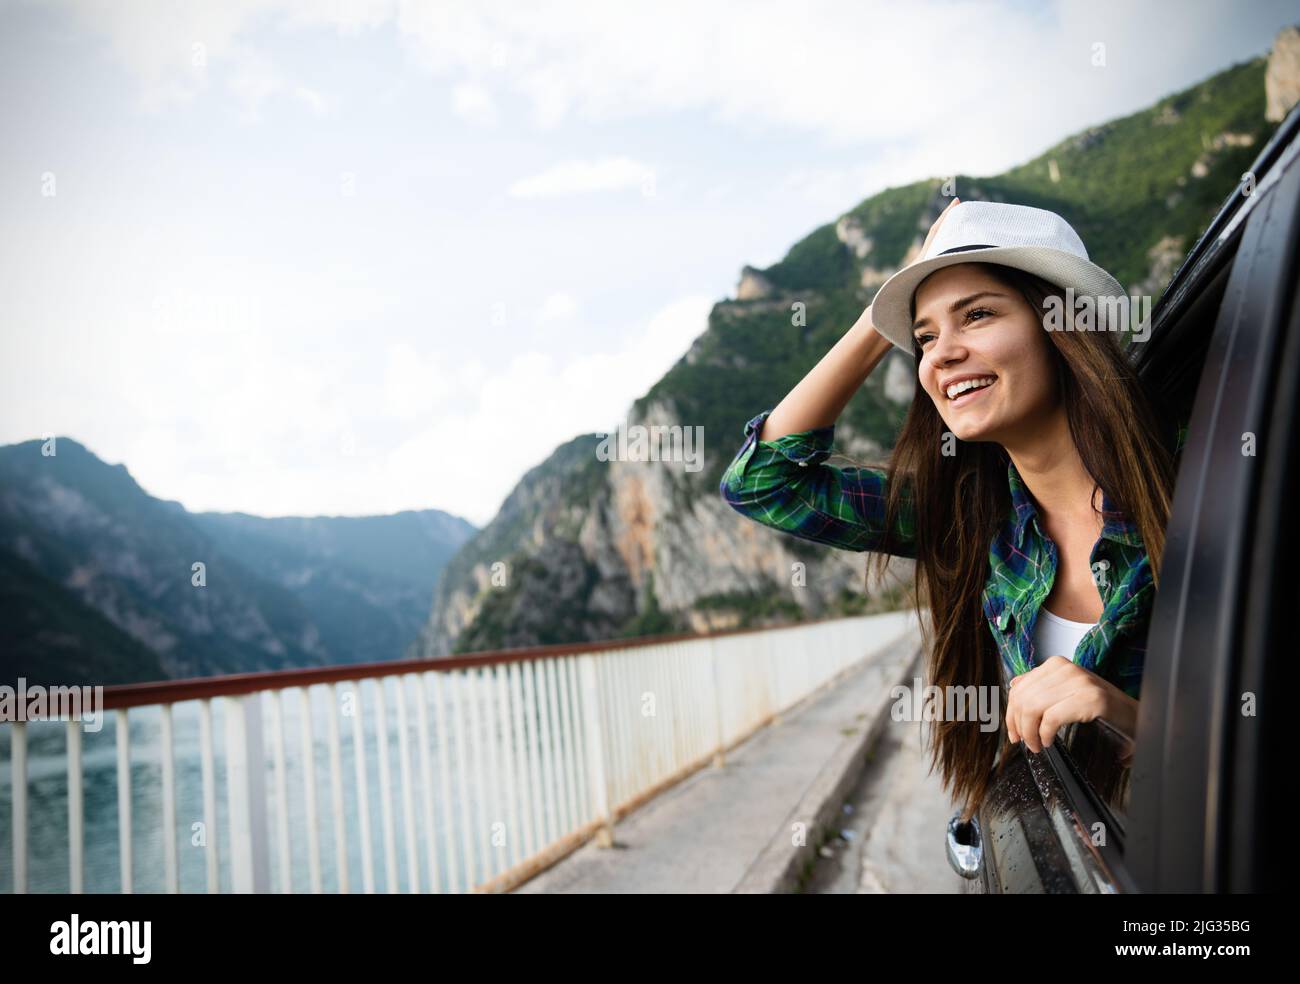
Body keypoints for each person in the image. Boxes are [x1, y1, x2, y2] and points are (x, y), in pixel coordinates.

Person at [718, 197, 1186, 820]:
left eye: (979, 315)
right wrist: (877, 322)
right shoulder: (970, 517)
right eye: (925, 337)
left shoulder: (1190, 473)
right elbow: (762, 483)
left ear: (1065, 326)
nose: (940, 355)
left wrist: (1133, 720)